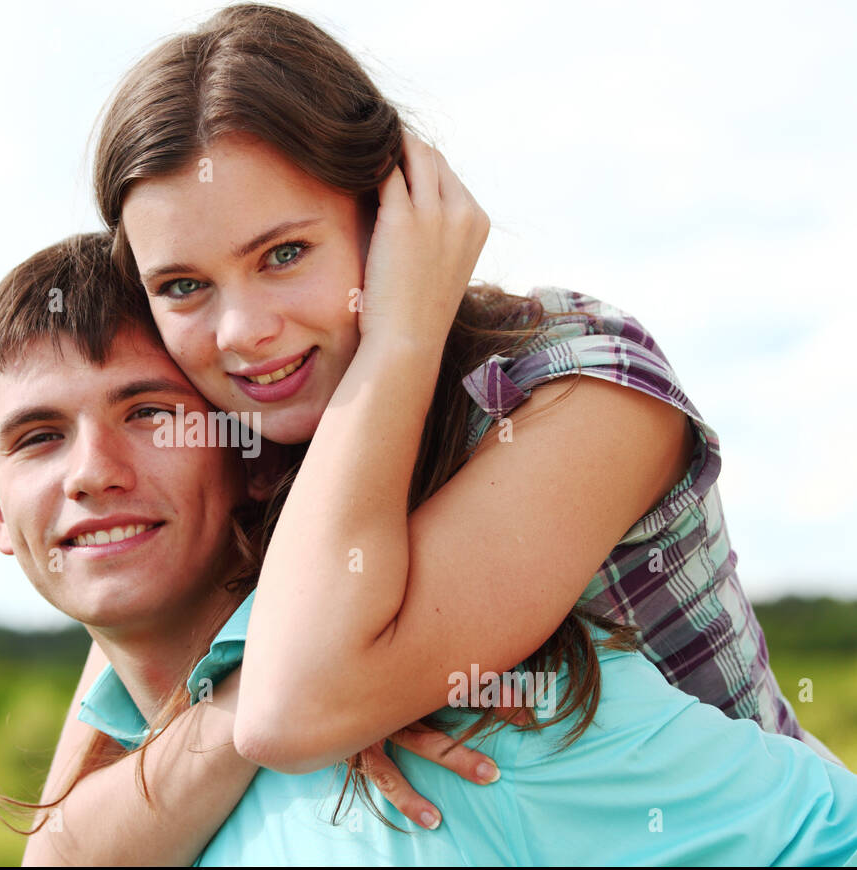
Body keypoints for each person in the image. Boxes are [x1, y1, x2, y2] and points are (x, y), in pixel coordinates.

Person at [90, 1, 841, 772]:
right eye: (183, 285)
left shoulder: (583, 383)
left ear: (390, 214)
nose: (241, 332)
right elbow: (64, 842)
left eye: (283, 254)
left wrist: (400, 337)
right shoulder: (228, 448)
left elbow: (288, 713)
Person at [0, 232, 857, 866]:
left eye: (149, 415)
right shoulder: (145, 747)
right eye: (38, 436)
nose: (93, 473)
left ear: (256, 459)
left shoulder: (461, 711)